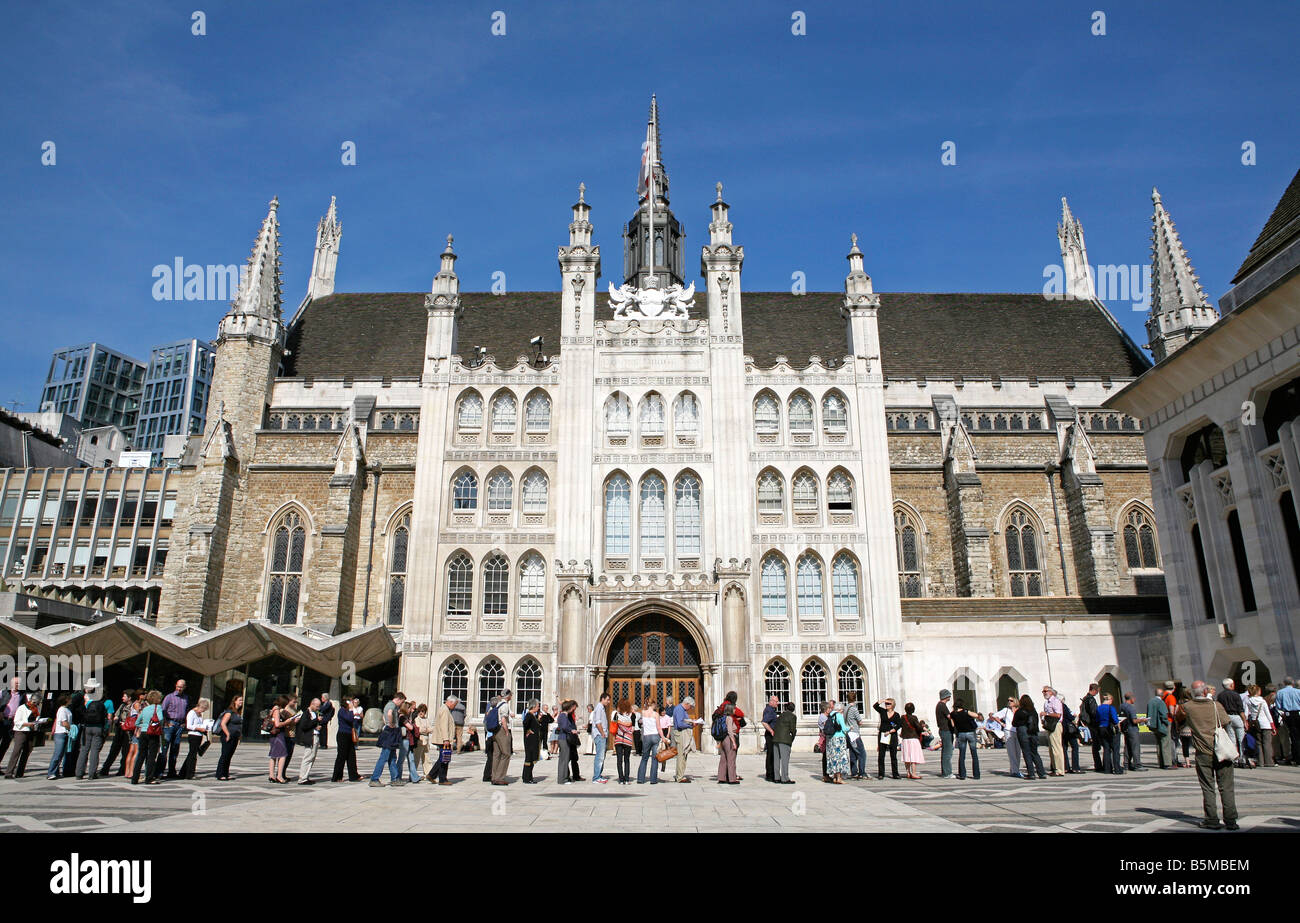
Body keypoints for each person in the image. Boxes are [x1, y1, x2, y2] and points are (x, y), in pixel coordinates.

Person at [1178, 680, 1238, 830]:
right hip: (1221, 750)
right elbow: (1226, 722)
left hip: (1203, 752)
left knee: (1208, 787)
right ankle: (1230, 820)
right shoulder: (1216, 705)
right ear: (1206, 692)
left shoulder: (1187, 707)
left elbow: (1178, 719)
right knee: (1226, 786)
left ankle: (1211, 819)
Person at [369, 691, 406, 787]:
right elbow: (389, 714)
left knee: (392, 758)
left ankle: (395, 778)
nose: (402, 704)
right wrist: (391, 723)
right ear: (398, 699)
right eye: (402, 702)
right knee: (384, 757)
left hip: (391, 733)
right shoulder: (392, 705)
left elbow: (384, 715)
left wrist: (387, 722)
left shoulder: (391, 705)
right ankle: (374, 779)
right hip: (390, 733)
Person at [75, 682, 111, 780]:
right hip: (98, 728)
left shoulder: (89, 703)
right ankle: (92, 773)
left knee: (84, 750)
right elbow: (106, 718)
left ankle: (79, 773)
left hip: (87, 727)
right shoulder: (102, 704)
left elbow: (83, 713)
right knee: (95, 751)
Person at [157, 679, 190, 780]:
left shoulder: (185, 698)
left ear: (184, 687)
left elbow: (186, 710)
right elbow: (162, 710)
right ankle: (159, 771)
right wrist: (166, 722)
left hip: (179, 725)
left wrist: (184, 723)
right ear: (175, 686)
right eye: (178, 686)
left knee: (175, 749)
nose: (179, 689)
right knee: (164, 748)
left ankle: (172, 771)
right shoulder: (169, 697)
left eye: (181, 687)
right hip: (170, 724)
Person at [131, 690, 166, 785]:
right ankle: (149, 778)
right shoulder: (157, 707)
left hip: (143, 732)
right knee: (151, 756)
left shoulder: (145, 709)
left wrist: (144, 724)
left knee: (141, 756)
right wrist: (156, 724)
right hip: (153, 733)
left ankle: (134, 778)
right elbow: (160, 718)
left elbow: (137, 722)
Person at [3, 693, 42, 778]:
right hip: (21, 731)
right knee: (17, 751)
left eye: (37, 702)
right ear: (31, 700)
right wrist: (27, 724)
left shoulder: (36, 709)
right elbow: (17, 721)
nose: (35, 704)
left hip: (31, 731)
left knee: (27, 751)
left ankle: (20, 772)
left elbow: (37, 719)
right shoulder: (22, 708)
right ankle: (9, 772)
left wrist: (39, 722)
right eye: (34, 702)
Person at [266, 695, 298, 783]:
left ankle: (272, 776)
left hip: (276, 734)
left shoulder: (277, 709)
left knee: (274, 755)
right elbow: (277, 724)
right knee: (282, 755)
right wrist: (286, 722)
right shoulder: (276, 709)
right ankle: (279, 776)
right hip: (278, 734)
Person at [1216, 679, 1248, 769]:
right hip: (1237, 716)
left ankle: (1234, 759)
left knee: (1232, 739)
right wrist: (1245, 721)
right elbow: (1240, 709)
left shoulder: (1220, 695)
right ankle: (1243, 759)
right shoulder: (1235, 694)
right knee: (1241, 739)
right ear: (1231, 685)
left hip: (1227, 717)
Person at [1013, 695, 1046, 780]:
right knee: (1035, 752)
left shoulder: (1019, 711)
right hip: (1033, 732)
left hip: (1023, 732)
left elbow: (1014, 723)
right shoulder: (1033, 711)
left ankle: (1031, 773)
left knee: (1026, 752)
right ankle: (1042, 773)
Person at [177, 698, 211, 779]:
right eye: (203, 709)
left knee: (191, 754)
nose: (203, 711)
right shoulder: (192, 713)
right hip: (193, 735)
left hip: (199, 735)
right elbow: (188, 725)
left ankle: (183, 772)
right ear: (200, 706)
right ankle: (190, 773)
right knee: (193, 755)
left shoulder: (199, 714)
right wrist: (199, 728)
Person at [427, 695, 457, 785]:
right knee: (445, 758)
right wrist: (446, 739)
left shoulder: (445, 709)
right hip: (443, 739)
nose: (455, 706)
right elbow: (444, 725)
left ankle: (432, 775)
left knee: (442, 757)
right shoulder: (445, 710)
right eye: (455, 704)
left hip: (442, 738)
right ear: (450, 702)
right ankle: (442, 779)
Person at [950, 698, 981, 780]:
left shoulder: (953, 714)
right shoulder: (966, 711)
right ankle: (976, 774)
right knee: (974, 754)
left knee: (962, 754)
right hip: (970, 733)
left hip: (961, 734)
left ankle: (962, 774)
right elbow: (977, 716)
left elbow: (953, 724)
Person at [333, 696, 362, 782]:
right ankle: (337, 776)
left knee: (351, 756)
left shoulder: (350, 711)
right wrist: (352, 710)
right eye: (351, 702)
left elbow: (355, 721)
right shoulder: (342, 710)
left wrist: (355, 714)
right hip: (343, 735)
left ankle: (354, 775)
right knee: (341, 756)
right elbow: (349, 718)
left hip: (349, 734)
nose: (352, 704)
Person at [214, 695, 244, 780]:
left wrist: (239, 735)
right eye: (239, 700)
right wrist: (227, 734)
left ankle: (226, 773)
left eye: (242, 701)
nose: (241, 702)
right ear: (235, 701)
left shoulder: (238, 712)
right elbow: (223, 723)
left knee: (229, 755)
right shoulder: (229, 712)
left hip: (235, 736)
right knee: (225, 754)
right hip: (228, 736)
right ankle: (220, 774)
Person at [296, 697, 322, 784]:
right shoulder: (306, 713)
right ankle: (302, 778)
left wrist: (317, 726)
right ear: (312, 704)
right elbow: (304, 726)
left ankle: (306, 776)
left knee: (312, 757)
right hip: (310, 738)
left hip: (315, 735)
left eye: (319, 706)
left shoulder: (314, 713)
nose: (318, 708)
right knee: (307, 757)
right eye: (317, 706)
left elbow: (311, 725)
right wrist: (316, 721)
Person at [1246, 684, 1273, 768]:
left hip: (1256, 723)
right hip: (1265, 723)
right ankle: (1268, 762)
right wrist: (1272, 724)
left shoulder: (1248, 701)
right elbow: (1267, 713)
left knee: (1258, 743)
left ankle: (1260, 761)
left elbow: (1247, 713)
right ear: (1258, 691)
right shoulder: (1262, 701)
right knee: (1267, 743)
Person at [874, 698, 902, 780]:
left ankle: (895, 773)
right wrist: (882, 700)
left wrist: (891, 731)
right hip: (883, 735)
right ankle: (881, 773)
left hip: (892, 735)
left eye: (888, 704)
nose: (886, 705)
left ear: (892, 705)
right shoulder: (883, 712)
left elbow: (899, 724)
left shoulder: (896, 715)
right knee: (881, 755)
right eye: (886, 704)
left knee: (893, 755)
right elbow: (875, 706)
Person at [1146, 685, 1173, 770]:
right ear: (1162, 695)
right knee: (1165, 743)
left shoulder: (1150, 701)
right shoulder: (1161, 702)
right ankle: (1167, 763)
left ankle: (1161, 762)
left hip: (1154, 726)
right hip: (1161, 725)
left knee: (1158, 744)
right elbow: (1163, 714)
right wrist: (1166, 723)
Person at [490, 689, 514, 785]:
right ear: (508, 696)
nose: (511, 696)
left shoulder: (497, 704)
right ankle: (499, 777)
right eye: (511, 695)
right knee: (506, 753)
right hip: (501, 730)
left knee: (497, 754)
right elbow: (503, 719)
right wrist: (506, 731)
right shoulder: (504, 705)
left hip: (495, 730)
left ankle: (494, 776)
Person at [1095, 693, 1123, 774]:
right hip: (1110, 729)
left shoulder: (1099, 708)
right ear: (1110, 700)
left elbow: (1097, 719)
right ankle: (1117, 768)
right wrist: (1119, 728)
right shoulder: (1111, 708)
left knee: (1106, 749)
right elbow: (1115, 720)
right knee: (1115, 749)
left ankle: (1107, 768)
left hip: (1101, 729)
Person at [46, 695, 72, 779]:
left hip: (65, 733)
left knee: (61, 754)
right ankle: (51, 772)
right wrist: (71, 728)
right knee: (57, 753)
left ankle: (56, 771)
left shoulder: (67, 709)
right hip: (61, 733)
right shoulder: (61, 710)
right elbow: (63, 722)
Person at [1041, 686, 1065, 777]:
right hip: (1049, 725)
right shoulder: (1046, 702)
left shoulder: (1055, 701)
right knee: (1051, 748)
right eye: (1043, 691)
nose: (1043, 693)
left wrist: (1046, 714)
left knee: (1056, 748)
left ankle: (1060, 769)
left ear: (1051, 692)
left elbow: (1058, 714)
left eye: (1045, 691)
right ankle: (1054, 768)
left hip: (1056, 725)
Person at [1119, 693, 1147, 771]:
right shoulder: (1131, 708)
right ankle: (1137, 764)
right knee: (1135, 747)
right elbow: (1134, 720)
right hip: (1132, 729)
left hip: (1125, 728)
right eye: (1134, 698)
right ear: (1131, 698)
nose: (1134, 700)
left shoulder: (1122, 706)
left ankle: (1126, 764)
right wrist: (1143, 719)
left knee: (1127, 747)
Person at [122, 691, 146, 780]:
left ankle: (127, 772)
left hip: (133, 730)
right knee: (136, 751)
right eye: (144, 694)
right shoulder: (137, 704)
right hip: (137, 729)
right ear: (140, 695)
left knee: (131, 751)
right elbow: (140, 716)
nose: (145, 695)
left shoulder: (134, 704)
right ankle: (132, 772)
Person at [994, 697, 1021, 777]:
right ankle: (1014, 771)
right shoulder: (1006, 710)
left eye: (1011, 700)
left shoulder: (1019, 710)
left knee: (1018, 752)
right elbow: (995, 716)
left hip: (1018, 731)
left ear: (1015, 701)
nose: (1009, 702)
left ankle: (1016, 769)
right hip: (1008, 731)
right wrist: (1002, 723)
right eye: (1008, 700)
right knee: (1011, 751)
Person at [672, 696, 696, 783]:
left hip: (682, 733)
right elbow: (680, 724)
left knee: (683, 755)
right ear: (687, 704)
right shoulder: (679, 709)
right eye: (690, 706)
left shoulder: (682, 710)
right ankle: (680, 777)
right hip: (680, 733)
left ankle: (680, 775)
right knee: (681, 755)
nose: (690, 709)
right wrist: (690, 725)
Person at [637, 702, 663, 784]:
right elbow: (659, 727)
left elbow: (641, 721)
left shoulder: (643, 712)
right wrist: (663, 737)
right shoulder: (656, 714)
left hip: (646, 736)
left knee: (644, 758)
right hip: (655, 736)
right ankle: (653, 779)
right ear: (653, 705)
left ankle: (640, 779)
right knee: (654, 758)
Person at [842, 692, 866, 780]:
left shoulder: (845, 708)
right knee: (862, 753)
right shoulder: (854, 709)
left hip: (848, 733)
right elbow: (860, 721)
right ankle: (862, 772)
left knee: (852, 752)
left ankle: (854, 771)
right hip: (854, 733)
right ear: (855, 698)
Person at [1276, 677, 1300, 765]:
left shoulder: (1280, 692)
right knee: (1297, 736)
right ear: (1292, 683)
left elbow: (1278, 706)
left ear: (1284, 683)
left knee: (1292, 737)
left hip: (1288, 715)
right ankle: (1297, 756)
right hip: (1298, 713)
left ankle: (1295, 757)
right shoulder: (1298, 692)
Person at [0, 678, 23, 766]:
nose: (18, 685)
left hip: (12, 722)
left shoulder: (21, 695)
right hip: (2, 720)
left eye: (19, 683)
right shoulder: (4, 692)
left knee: (5, 745)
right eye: (16, 683)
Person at [772, 702, 797, 783]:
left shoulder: (780, 715)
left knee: (776, 759)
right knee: (784, 759)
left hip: (776, 738)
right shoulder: (792, 716)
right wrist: (792, 738)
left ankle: (776, 777)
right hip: (785, 739)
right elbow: (792, 729)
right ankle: (784, 778)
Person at [716, 702, 741, 784]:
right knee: (731, 759)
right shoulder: (729, 718)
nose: (735, 710)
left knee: (723, 759)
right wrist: (733, 742)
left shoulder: (723, 717)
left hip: (723, 739)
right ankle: (732, 778)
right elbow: (730, 731)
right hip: (729, 739)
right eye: (734, 709)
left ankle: (721, 777)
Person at [899, 702, 925, 779]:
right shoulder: (914, 717)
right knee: (913, 757)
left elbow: (898, 725)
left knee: (907, 756)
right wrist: (922, 728)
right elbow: (919, 728)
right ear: (913, 710)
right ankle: (914, 773)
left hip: (905, 739)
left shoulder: (903, 717)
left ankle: (908, 772)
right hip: (913, 739)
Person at [1080, 683, 1102, 772]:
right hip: (1094, 724)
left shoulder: (1085, 698)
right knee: (1097, 745)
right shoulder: (1091, 699)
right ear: (1094, 690)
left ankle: (1098, 764)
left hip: (1089, 723)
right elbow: (1094, 712)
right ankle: (1099, 765)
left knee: (1095, 745)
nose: (1097, 693)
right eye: (1097, 691)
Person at [612, 699, 635, 784]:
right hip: (628, 740)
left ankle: (621, 779)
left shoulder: (616, 715)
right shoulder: (632, 715)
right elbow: (633, 729)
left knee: (619, 760)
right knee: (627, 760)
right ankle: (627, 779)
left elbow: (613, 727)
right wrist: (628, 730)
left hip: (618, 739)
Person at [557, 699, 579, 784]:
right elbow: (564, 727)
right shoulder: (563, 715)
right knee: (564, 759)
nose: (573, 710)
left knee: (564, 759)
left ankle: (562, 778)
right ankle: (563, 779)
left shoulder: (564, 715)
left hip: (563, 738)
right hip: (564, 738)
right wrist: (572, 731)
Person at [481, 694, 502, 782]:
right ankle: (488, 775)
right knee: (492, 757)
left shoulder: (488, 713)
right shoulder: (493, 712)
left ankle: (487, 775)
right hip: (492, 736)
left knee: (490, 757)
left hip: (489, 736)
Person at [591, 692, 610, 784]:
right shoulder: (599, 708)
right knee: (599, 756)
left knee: (602, 756)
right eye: (607, 699)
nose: (609, 702)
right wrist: (602, 733)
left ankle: (599, 775)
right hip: (599, 735)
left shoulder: (601, 708)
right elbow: (598, 722)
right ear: (602, 699)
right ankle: (596, 777)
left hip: (602, 734)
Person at [522, 699, 542, 783]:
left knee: (531, 758)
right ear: (533, 706)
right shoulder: (529, 715)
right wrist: (528, 730)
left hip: (534, 740)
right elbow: (525, 723)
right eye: (537, 706)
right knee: (529, 758)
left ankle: (528, 776)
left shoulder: (533, 715)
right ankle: (527, 778)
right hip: (530, 741)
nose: (538, 708)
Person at [936, 689, 955, 779]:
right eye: (949, 695)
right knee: (948, 752)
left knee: (945, 752)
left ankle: (945, 772)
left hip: (943, 730)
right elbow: (949, 717)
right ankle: (947, 773)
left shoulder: (939, 705)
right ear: (946, 696)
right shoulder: (942, 705)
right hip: (946, 730)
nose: (950, 697)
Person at [761, 694, 780, 782]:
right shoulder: (769, 710)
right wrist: (771, 730)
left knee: (772, 754)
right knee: (771, 755)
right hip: (770, 736)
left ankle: (771, 773)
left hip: (772, 735)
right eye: (776, 701)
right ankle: (770, 774)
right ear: (771, 701)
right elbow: (764, 722)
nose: (778, 703)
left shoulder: (772, 710)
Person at [414, 703, 432, 775]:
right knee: (416, 758)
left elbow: (431, 729)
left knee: (427, 758)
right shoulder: (417, 719)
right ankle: (413, 774)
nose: (421, 713)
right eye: (420, 711)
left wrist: (427, 730)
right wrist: (427, 729)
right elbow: (419, 729)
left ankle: (428, 773)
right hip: (420, 740)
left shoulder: (427, 719)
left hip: (426, 740)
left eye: (423, 711)